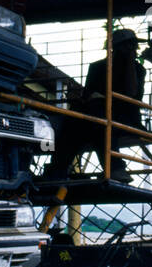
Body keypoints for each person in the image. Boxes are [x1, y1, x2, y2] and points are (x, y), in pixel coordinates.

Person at [46, 29, 145, 182]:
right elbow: (87, 95)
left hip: (124, 116)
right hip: (97, 114)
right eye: (128, 46)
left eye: (133, 47)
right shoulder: (98, 67)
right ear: (117, 48)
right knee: (77, 117)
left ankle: (114, 167)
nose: (133, 50)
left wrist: (130, 64)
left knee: (99, 118)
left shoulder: (137, 69)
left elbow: (132, 94)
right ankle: (58, 169)